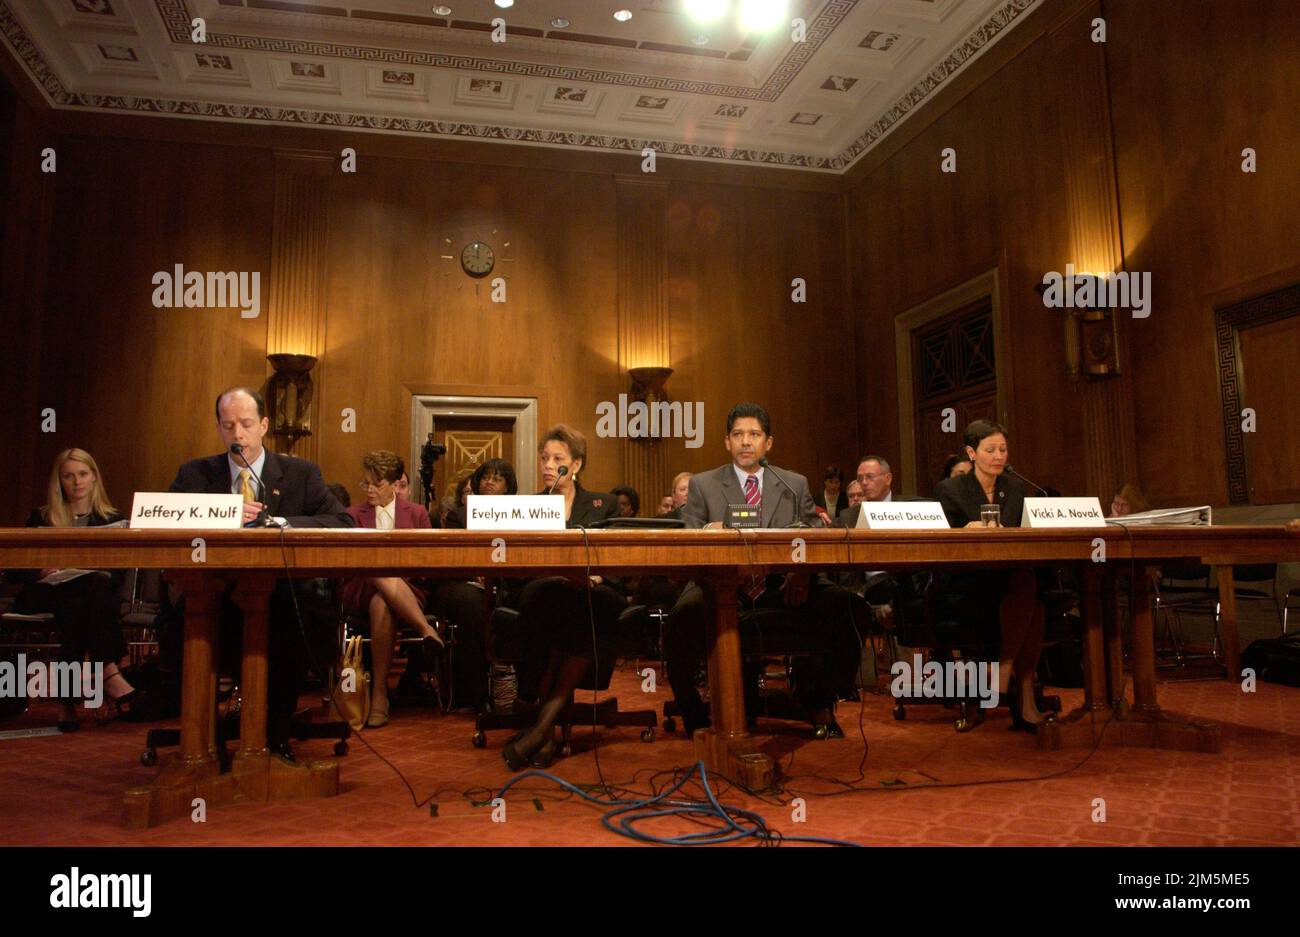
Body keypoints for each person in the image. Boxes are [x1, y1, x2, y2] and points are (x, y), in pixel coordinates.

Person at [165, 387, 353, 759]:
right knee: (185, 624)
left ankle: (275, 734)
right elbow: (164, 521)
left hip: (282, 598)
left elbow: (341, 520)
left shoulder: (301, 474)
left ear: (264, 425)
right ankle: (203, 741)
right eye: (229, 425)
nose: (238, 435)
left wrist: (279, 521)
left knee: (290, 624)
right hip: (212, 598)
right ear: (219, 428)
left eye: (247, 424)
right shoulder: (195, 475)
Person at [667, 403, 863, 737]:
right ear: (726, 442)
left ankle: (818, 698)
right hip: (721, 585)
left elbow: (814, 533)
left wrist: (801, 572)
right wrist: (705, 534)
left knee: (851, 607)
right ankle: (695, 715)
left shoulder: (792, 483)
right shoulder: (704, 484)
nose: (746, 442)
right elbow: (684, 538)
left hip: (781, 584)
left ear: (768, 443)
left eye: (754, 435)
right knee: (682, 617)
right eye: (738, 435)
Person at [500, 425, 622, 770]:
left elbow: (617, 556)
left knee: (589, 605)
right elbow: (518, 563)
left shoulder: (603, 503)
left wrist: (595, 575)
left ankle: (541, 728)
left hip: (592, 590)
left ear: (577, 465)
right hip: (547, 590)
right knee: (548, 601)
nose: (548, 465)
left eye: (557, 459)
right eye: (544, 458)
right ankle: (545, 729)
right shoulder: (530, 506)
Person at [934, 419, 1049, 731]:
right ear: (972, 453)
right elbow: (943, 540)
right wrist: (963, 531)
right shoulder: (951, 489)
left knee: (1028, 588)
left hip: (1006, 571)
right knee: (1031, 600)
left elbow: (1013, 529)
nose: (999, 456)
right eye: (990, 450)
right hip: (968, 578)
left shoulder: (1015, 487)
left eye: (1003, 449)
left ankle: (1007, 667)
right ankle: (1024, 699)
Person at [12, 449, 136, 731]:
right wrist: (41, 569)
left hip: (88, 596)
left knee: (84, 596)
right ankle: (108, 671)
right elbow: (15, 569)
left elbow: (119, 574)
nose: (77, 482)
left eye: (82, 474)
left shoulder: (112, 519)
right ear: (59, 481)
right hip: (45, 593)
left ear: (94, 478)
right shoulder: (41, 518)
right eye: (69, 476)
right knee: (87, 591)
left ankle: (67, 703)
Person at [341, 450, 439, 728]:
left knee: (383, 600)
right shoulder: (352, 515)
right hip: (360, 587)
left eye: (377, 483)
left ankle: (380, 692)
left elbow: (429, 562)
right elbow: (348, 563)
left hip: (408, 588)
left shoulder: (418, 514)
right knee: (377, 570)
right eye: (366, 483)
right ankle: (425, 630)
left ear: (396, 484)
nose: (370, 490)